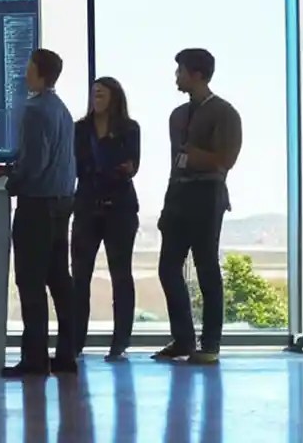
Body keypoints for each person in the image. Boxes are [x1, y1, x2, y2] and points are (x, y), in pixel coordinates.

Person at [154, 48, 242, 365]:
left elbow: (226, 160)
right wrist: (167, 204)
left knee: (206, 267)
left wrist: (194, 156)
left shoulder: (225, 113)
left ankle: (211, 344)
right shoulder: (177, 115)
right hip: (178, 196)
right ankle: (183, 339)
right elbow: (176, 163)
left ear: (197, 75)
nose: (176, 76)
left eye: (181, 71)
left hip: (207, 195)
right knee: (168, 268)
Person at [2, 48, 78, 379]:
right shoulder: (61, 110)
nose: (24, 73)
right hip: (61, 202)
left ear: (39, 73)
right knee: (59, 280)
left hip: (36, 205)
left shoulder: (34, 111)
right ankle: (66, 355)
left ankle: (34, 359)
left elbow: (35, 162)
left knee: (30, 282)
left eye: (29, 67)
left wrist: (11, 183)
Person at [71, 76, 141, 362]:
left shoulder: (129, 128)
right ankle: (74, 341)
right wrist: (109, 168)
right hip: (87, 206)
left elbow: (131, 166)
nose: (96, 97)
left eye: (101, 93)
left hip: (120, 208)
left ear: (114, 97)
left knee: (121, 275)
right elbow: (76, 165)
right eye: (93, 93)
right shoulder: (80, 129)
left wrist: (104, 168)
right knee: (80, 276)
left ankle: (120, 341)